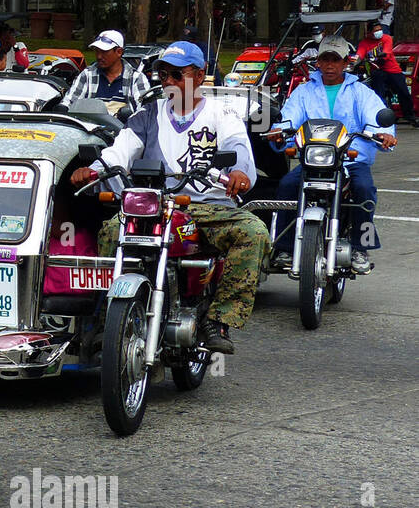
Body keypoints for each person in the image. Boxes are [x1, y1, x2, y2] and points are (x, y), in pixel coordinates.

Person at [70, 40, 268, 354]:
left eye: (178, 74)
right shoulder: (147, 114)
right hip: (156, 205)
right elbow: (120, 149)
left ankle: (218, 319)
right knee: (111, 231)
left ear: (200, 76)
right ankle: (107, 315)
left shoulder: (222, 112)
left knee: (254, 233)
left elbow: (238, 146)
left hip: (209, 206)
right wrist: (94, 168)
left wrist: (240, 173)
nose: (169, 82)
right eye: (163, 75)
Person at [269, 34, 397, 275]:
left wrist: (383, 133)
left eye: (335, 60)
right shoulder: (304, 91)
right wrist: (279, 129)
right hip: (313, 159)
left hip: (351, 160)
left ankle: (362, 246)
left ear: (345, 62)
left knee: (365, 191)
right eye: (325, 59)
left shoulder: (360, 91)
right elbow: (289, 116)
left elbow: (377, 115)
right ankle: (284, 247)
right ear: (317, 62)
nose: (329, 65)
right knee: (286, 185)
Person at [60, 29, 152, 110]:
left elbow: (144, 112)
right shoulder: (87, 75)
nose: (99, 56)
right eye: (97, 51)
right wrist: (62, 109)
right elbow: (69, 103)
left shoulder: (136, 78)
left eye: (104, 52)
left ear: (119, 52)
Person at [355, 18, 417, 127]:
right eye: (375, 30)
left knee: (403, 91)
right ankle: (383, 116)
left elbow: (387, 51)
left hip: (392, 70)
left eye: (379, 29)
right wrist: (355, 59)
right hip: (377, 71)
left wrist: (382, 55)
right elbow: (359, 54)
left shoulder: (386, 38)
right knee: (379, 93)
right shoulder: (364, 43)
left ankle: (409, 116)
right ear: (369, 33)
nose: (378, 32)